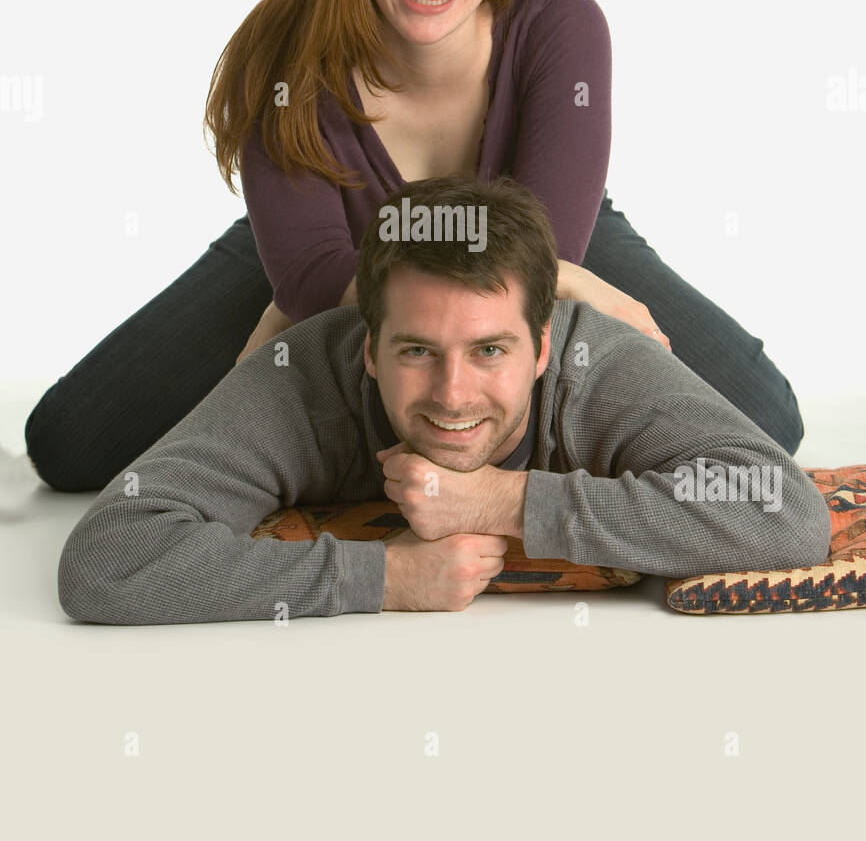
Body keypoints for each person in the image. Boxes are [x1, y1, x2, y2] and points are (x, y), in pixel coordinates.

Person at [27, 0, 804, 494]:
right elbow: (314, 271)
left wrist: (575, 280)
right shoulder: (286, 54)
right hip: (321, 237)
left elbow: (528, 264)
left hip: (548, 241)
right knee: (70, 444)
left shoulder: (561, 27)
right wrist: (295, 288)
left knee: (765, 419)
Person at [56, 174, 830, 625]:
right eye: (417, 351)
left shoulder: (600, 361)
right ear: (368, 347)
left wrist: (504, 501)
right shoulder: (304, 375)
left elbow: (788, 513)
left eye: (490, 350)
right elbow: (107, 556)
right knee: (66, 439)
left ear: (543, 347)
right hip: (310, 224)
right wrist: (383, 578)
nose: (453, 395)